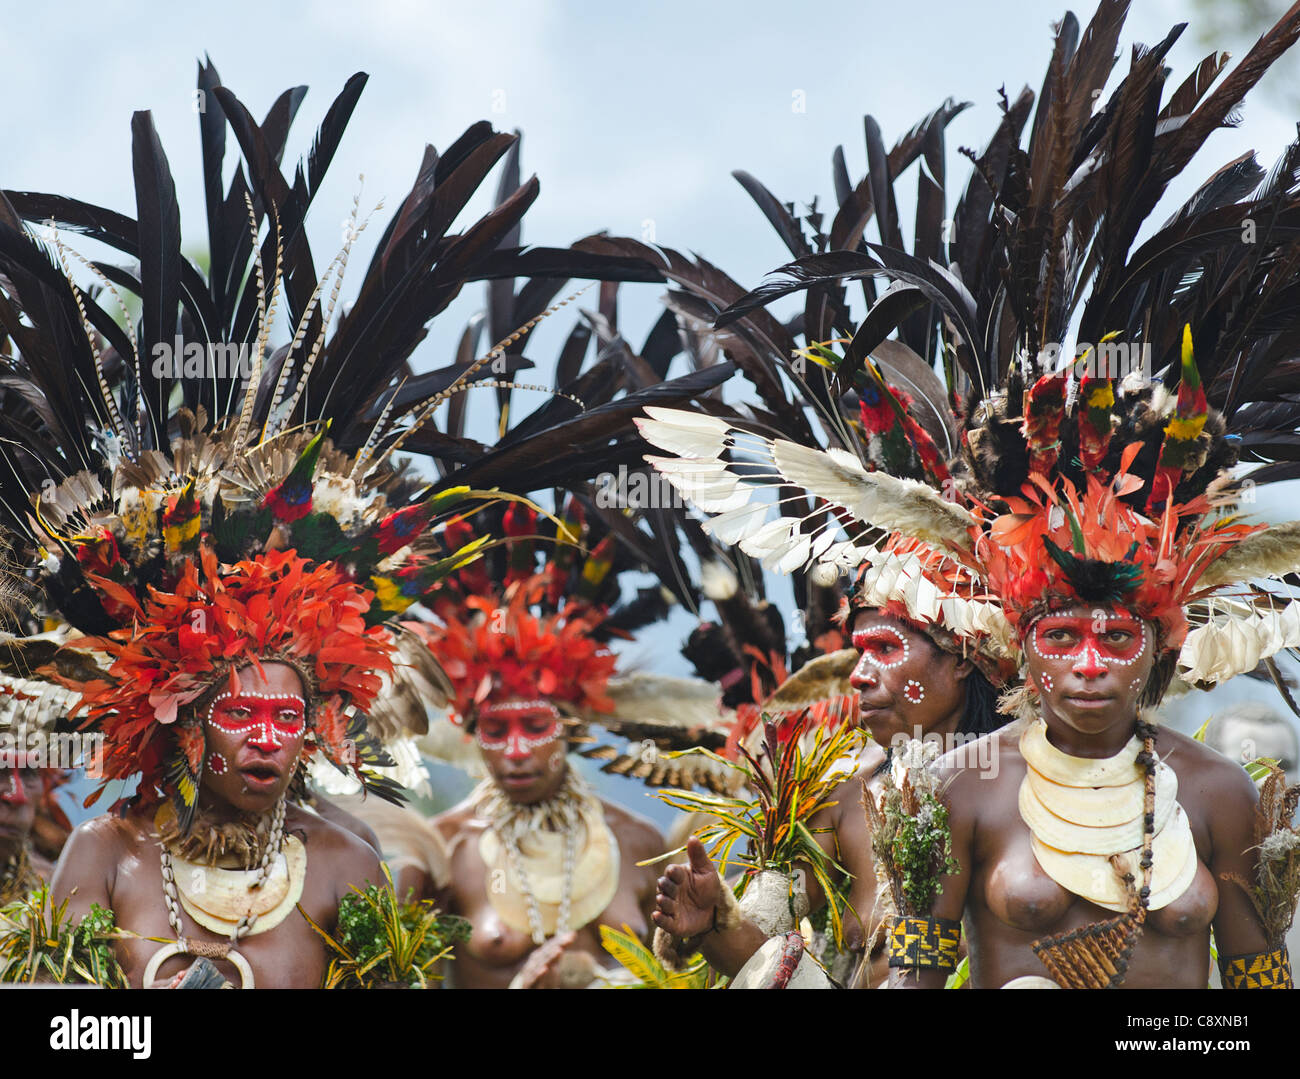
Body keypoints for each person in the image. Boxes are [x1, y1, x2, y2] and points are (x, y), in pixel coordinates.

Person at [414, 569, 668, 989]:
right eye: (496, 731)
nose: (515, 752)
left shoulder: (640, 841)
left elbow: (688, 975)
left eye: (534, 725)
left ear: (568, 728)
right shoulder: (443, 848)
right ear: (473, 737)